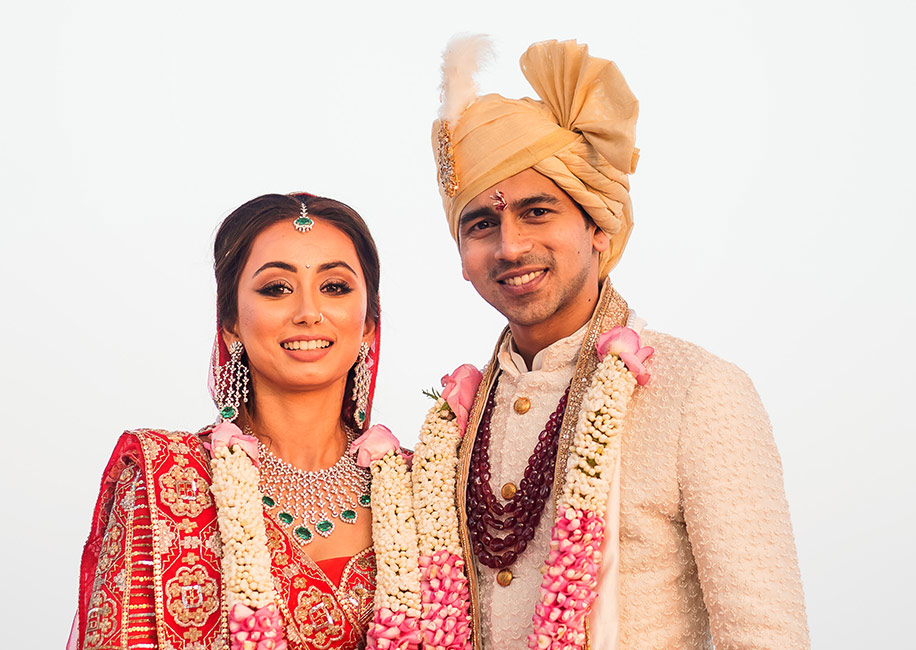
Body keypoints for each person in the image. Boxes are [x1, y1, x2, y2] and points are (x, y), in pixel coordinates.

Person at [424, 38, 810, 649]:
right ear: (462, 258)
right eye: (481, 224)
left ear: (599, 228)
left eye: (537, 211)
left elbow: (765, 635)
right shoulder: (452, 425)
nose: (510, 246)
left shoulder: (697, 391)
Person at [71, 193, 385, 650]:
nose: (308, 312)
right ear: (230, 322)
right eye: (276, 288)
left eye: (335, 287)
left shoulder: (423, 490)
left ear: (370, 321)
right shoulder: (166, 479)